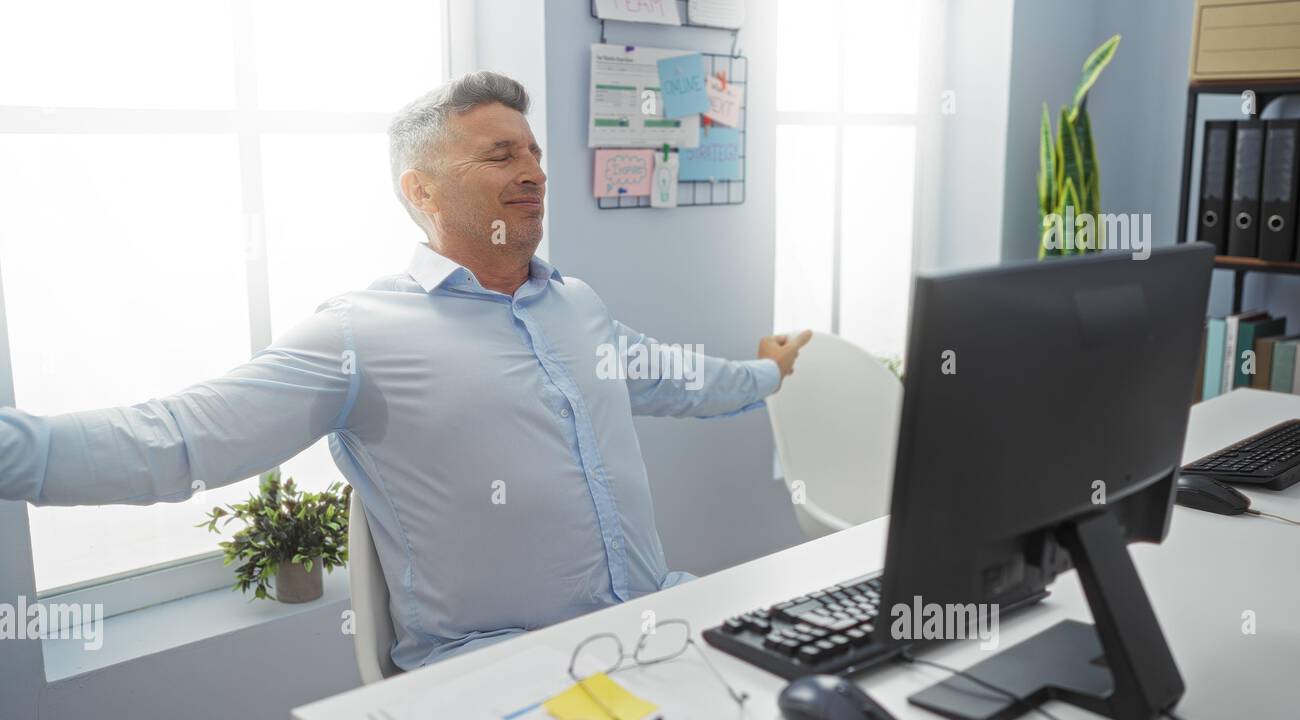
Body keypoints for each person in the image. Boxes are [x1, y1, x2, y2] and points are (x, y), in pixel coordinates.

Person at [0, 71, 812, 670]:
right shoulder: (360, 334)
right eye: (501, 155)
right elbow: (176, 440)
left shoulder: (577, 307)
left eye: (532, 151)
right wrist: (17, 451)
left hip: (652, 626)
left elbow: (675, 378)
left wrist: (767, 374)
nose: (532, 170)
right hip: (502, 670)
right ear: (420, 190)